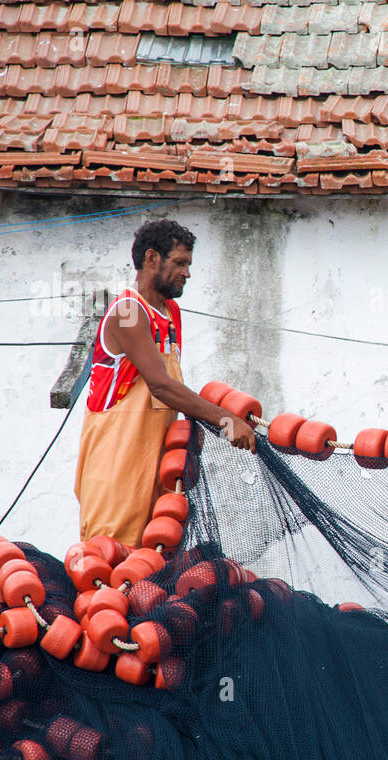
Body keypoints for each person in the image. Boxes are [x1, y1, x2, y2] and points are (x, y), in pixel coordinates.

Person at [73, 219, 255, 548]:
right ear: (152, 258)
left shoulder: (171, 312)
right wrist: (226, 419)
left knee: (152, 567)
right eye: (180, 263)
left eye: (188, 264)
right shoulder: (128, 311)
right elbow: (161, 385)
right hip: (117, 466)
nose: (187, 273)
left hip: (155, 465)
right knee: (112, 561)